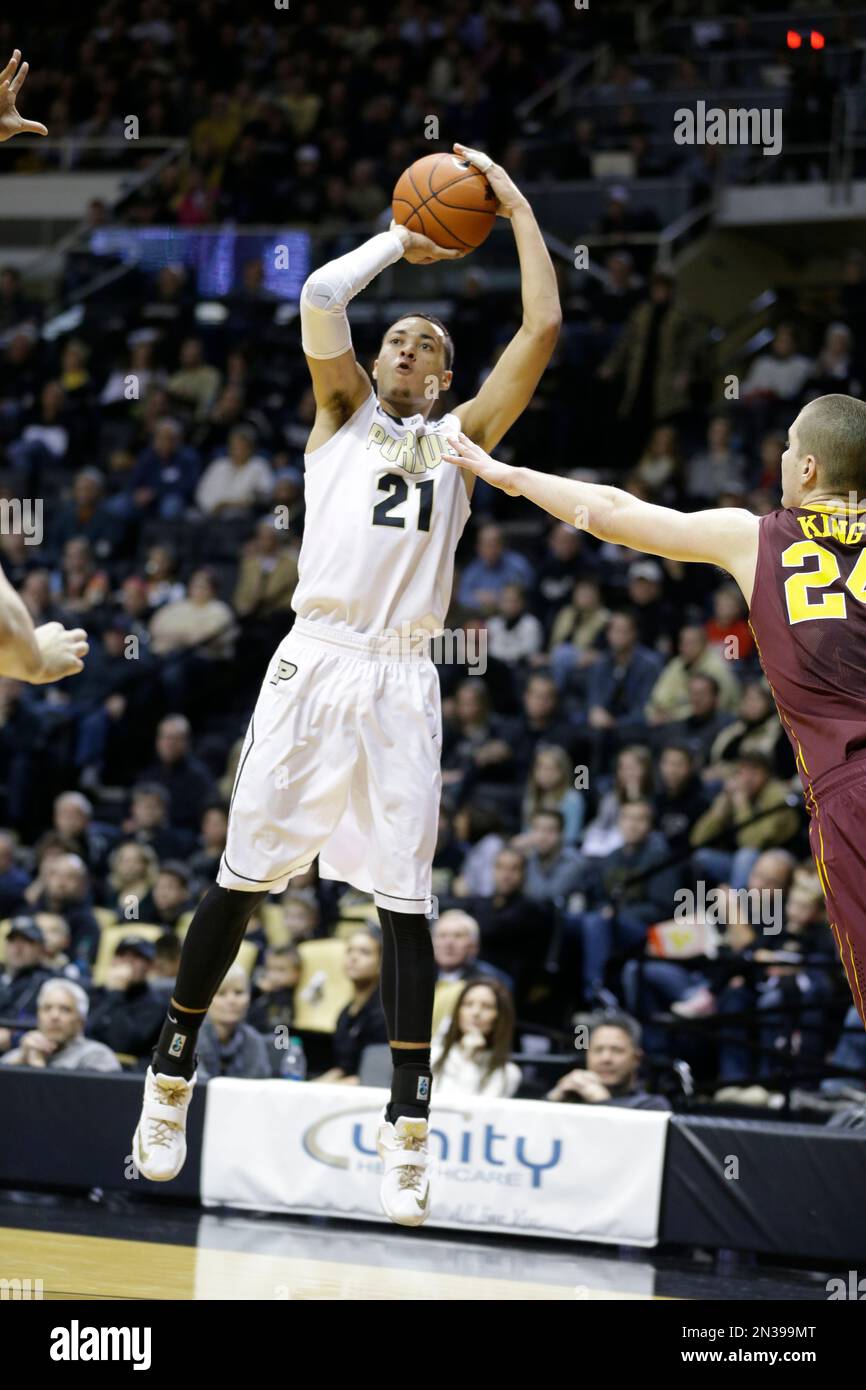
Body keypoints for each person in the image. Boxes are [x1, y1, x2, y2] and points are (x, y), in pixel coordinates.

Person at [132, 141, 561, 1231]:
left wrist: (510, 208)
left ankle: (408, 1128)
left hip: (401, 680)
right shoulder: (341, 417)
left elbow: (542, 331)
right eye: (396, 334)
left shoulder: (463, 440)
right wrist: (399, 240)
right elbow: (324, 291)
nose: (405, 338)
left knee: (404, 901)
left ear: (445, 377)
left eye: (427, 340)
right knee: (241, 876)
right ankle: (169, 1072)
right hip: (311, 661)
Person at [444, 391, 866, 1033]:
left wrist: (507, 475)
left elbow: (612, 512)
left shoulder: (751, 536)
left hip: (850, 790)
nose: (780, 457)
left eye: (787, 446)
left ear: (807, 469)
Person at [546, 1013, 671, 1110]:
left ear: (637, 1059)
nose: (606, 1059)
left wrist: (601, 1101)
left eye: (617, 1050)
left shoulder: (652, 1106)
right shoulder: (570, 1098)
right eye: (598, 1050)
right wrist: (552, 1099)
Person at [316, 928, 389, 1085]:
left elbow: (373, 1075)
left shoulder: (385, 1012)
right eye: (349, 951)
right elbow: (342, 1068)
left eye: (365, 952)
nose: (354, 958)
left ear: (381, 963)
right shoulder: (345, 1012)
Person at [0, 979, 120, 1073]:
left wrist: (37, 1065)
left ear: (81, 1022)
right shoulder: (19, 1055)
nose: (54, 1016)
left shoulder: (97, 1056)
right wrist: (21, 1060)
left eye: (65, 1010)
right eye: (47, 1008)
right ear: (38, 1017)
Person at [430, 978, 521, 1098]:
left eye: (487, 1007)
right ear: (458, 1011)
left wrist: (470, 1060)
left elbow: (471, 1111)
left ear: (499, 1016)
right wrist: (466, 1055)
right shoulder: (433, 1056)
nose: (476, 1012)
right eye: (468, 1004)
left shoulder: (508, 1073)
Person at [195, 964, 272, 1080]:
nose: (231, 1000)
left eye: (239, 992)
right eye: (221, 993)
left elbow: (258, 1088)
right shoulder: (191, 1039)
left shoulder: (254, 1040)